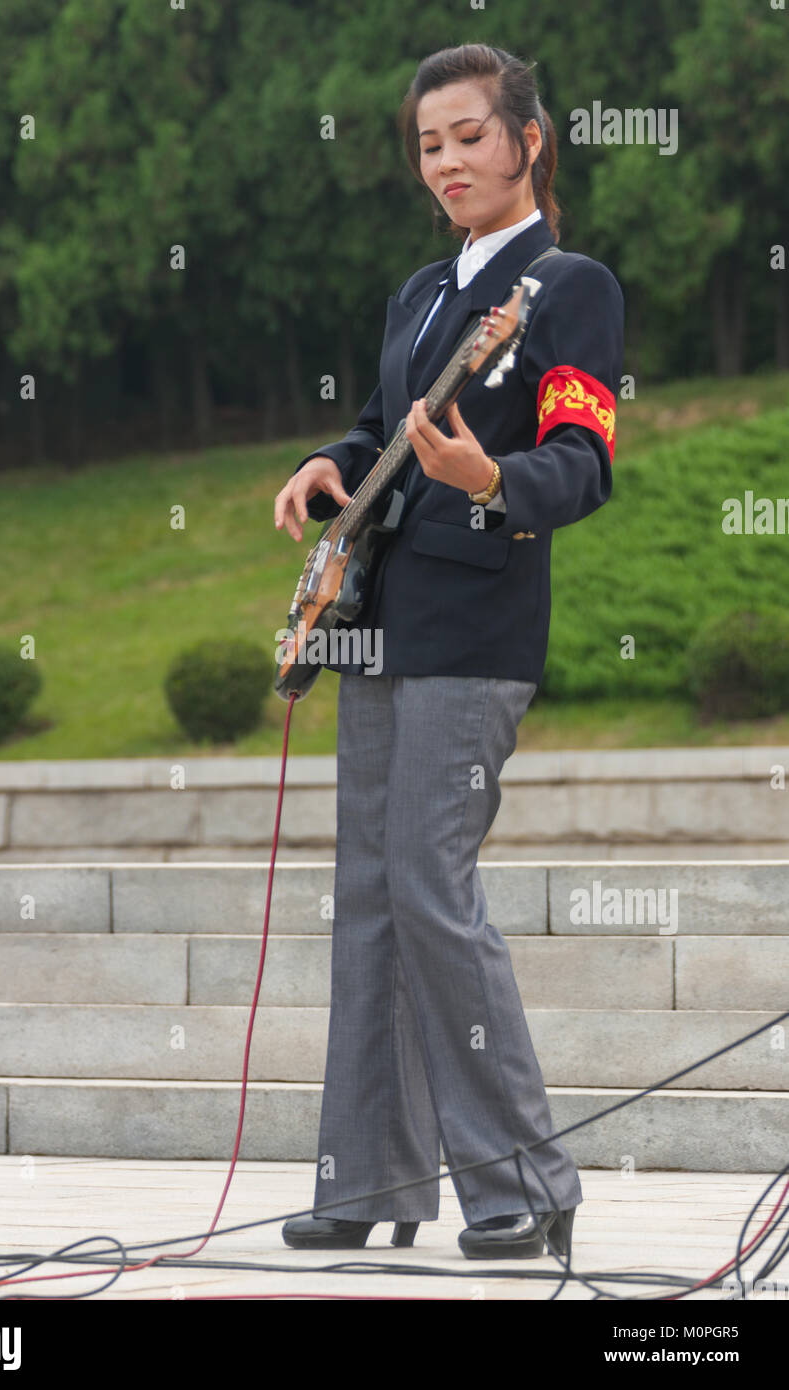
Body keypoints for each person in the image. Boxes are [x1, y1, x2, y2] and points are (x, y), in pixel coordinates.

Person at [272, 42, 624, 1260]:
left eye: (471, 135)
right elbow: (381, 432)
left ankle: (526, 1178)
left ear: (531, 140)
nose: (449, 161)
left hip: (474, 632)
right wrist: (328, 464)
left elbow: (581, 464)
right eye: (430, 144)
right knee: (366, 898)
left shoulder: (569, 286)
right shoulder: (419, 295)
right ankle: (366, 1181)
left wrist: (490, 479)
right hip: (376, 627)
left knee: (428, 885)